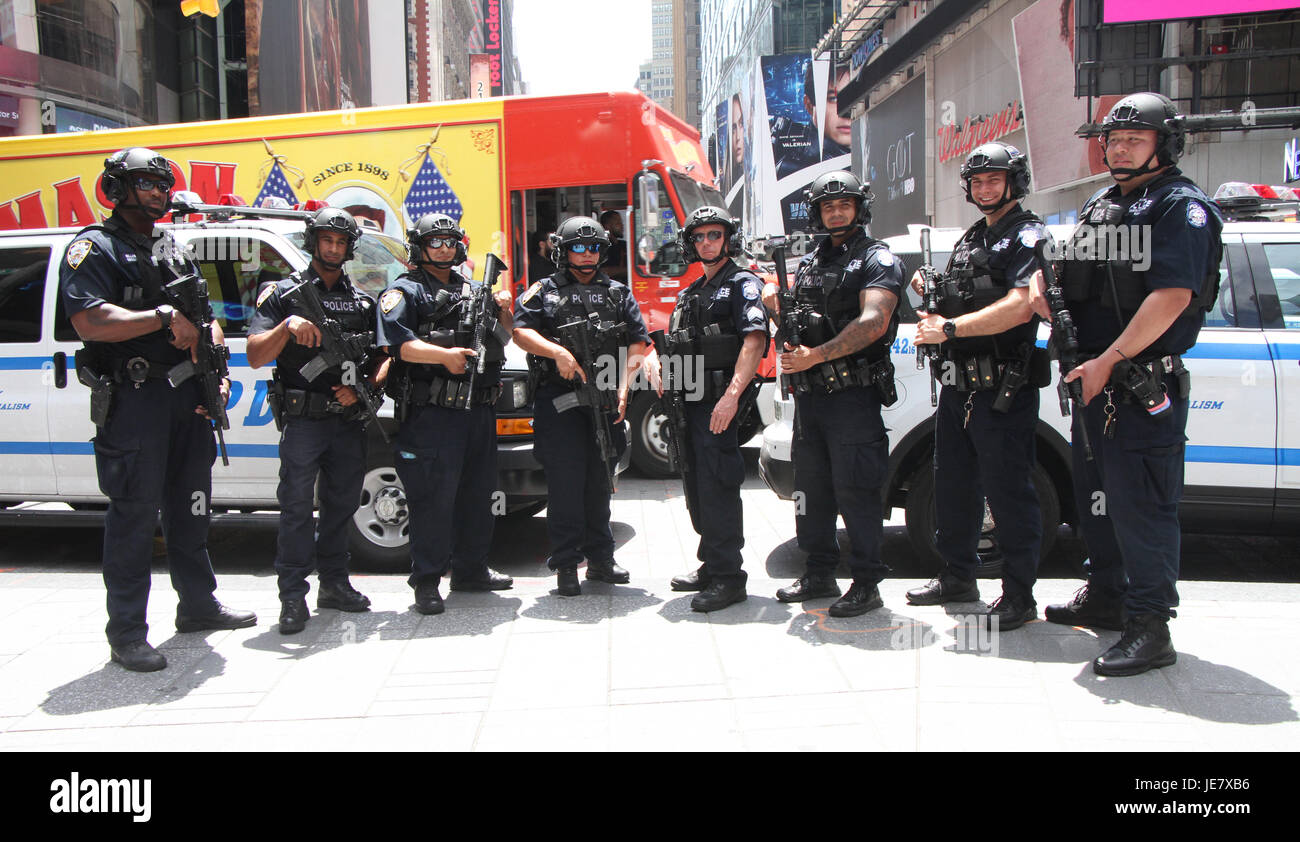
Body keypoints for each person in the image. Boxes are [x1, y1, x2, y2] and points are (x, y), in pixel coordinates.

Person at [1030, 92, 1223, 676]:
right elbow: (1063, 274)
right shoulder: (1101, 206)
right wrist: (1042, 292)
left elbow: (1172, 297)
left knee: (1142, 507)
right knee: (1097, 500)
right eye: (1111, 140)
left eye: (1132, 140)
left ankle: (1149, 626)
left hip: (1136, 384)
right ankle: (1107, 592)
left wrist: (1109, 360)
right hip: (1092, 381)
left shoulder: (1179, 208)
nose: (1117, 148)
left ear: (1164, 145)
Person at [59, 147, 255, 672]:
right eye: (146, 183)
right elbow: (90, 321)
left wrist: (216, 355)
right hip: (136, 402)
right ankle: (126, 632)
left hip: (188, 398)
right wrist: (162, 318)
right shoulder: (93, 248)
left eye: (162, 184)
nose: (158, 192)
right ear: (117, 188)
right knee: (134, 516)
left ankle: (197, 605)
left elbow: (205, 315)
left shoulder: (171, 247)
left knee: (192, 508)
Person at [904, 142, 1050, 630]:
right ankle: (958, 576)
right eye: (978, 181)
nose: (986, 188)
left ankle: (1019, 595)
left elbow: (1022, 304)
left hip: (1003, 388)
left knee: (1009, 492)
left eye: (995, 179)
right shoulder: (972, 237)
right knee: (953, 486)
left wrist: (949, 330)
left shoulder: (1028, 234)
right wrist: (933, 298)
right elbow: (956, 300)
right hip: (958, 386)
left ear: (1015, 182)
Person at [762, 171, 902, 617]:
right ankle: (819, 571)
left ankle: (866, 582)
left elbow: (874, 321)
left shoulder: (877, 258)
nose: (836, 212)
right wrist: (774, 303)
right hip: (811, 399)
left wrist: (815, 355)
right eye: (827, 206)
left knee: (857, 490)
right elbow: (796, 313)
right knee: (812, 490)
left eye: (844, 204)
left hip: (851, 397)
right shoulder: (809, 261)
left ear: (860, 208)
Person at [247, 207, 387, 635]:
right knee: (294, 508)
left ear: (349, 248)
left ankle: (334, 584)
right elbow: (255, 355)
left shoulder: (363, 300)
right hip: (303, 419)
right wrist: (287, 327)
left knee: (340, 506)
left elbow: (384, 356)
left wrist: (363, 387)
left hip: (346, 419)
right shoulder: (281, 294)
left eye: (341, 242)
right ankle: (292, 595)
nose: (333, 248)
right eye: (326, 240)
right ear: (314, 242)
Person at [375, 213, 515, 615]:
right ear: (419, 247)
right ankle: (427, 581)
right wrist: (444, 357)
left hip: (478, 411)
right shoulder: (405, 292)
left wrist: (504, 307)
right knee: (433, 500)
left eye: (450, 241)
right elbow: (397, 346)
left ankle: (471, 569)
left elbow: (503, 336)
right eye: (435, 241)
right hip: (433, 414)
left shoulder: (474, 289)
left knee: (478, 494)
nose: (444, 248)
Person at [513, 216, 659, 596]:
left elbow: (638, 343)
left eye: (594, 247)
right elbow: (521, 331)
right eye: (579, 247)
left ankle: (601, 559)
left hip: (606, 399)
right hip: (559, 403)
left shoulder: (617, 293)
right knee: (565, 486)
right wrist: (557, 351)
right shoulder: (543, 291)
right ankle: (564, 564)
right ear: (563, 251)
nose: (587, 254)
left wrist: (626, 388)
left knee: (599, 483)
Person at [663, 206, 768, 611]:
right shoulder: (692, 291)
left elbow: (754, 341)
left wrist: (731, 397)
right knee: (697, 485)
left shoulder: (741, 283)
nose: (706, 242)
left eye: (714, 235)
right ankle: (710, 563)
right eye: (699, 237)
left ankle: (729, 577)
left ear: (728, 239)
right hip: (688, 403)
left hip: (718, 402)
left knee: (719, 486)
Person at [598, 210, 628, 282]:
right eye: (618, 223)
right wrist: (631, 270)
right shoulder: (602, 247)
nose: (622, 226)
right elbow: (603, 271)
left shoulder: (625, 245)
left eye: (621, 223)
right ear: (607, 226)